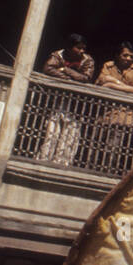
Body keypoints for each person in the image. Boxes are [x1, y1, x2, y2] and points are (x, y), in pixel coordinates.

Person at [37, 33, 94, 166]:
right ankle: (45, 159)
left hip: (75, 103)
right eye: (78, 48)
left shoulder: (87, 60)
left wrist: (65, 70)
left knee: (70, 132)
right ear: (70, 47)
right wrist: (68, 78)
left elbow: (85, 77)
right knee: (52, 129)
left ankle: (63, 162)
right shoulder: (58, 55)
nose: (82, 51)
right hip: (57, 99)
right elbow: (48, 68)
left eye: (83, 48)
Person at [95, 42, 133, 171]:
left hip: (123, 116)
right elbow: (102, 81)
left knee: (114, 147)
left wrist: (113, 84)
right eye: (125, 55)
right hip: (106, 114)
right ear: (117, 55)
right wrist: (122, 85)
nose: (128, 59)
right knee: (98, 144)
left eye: (131, 56)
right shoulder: (108, 65)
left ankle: (106, 171)